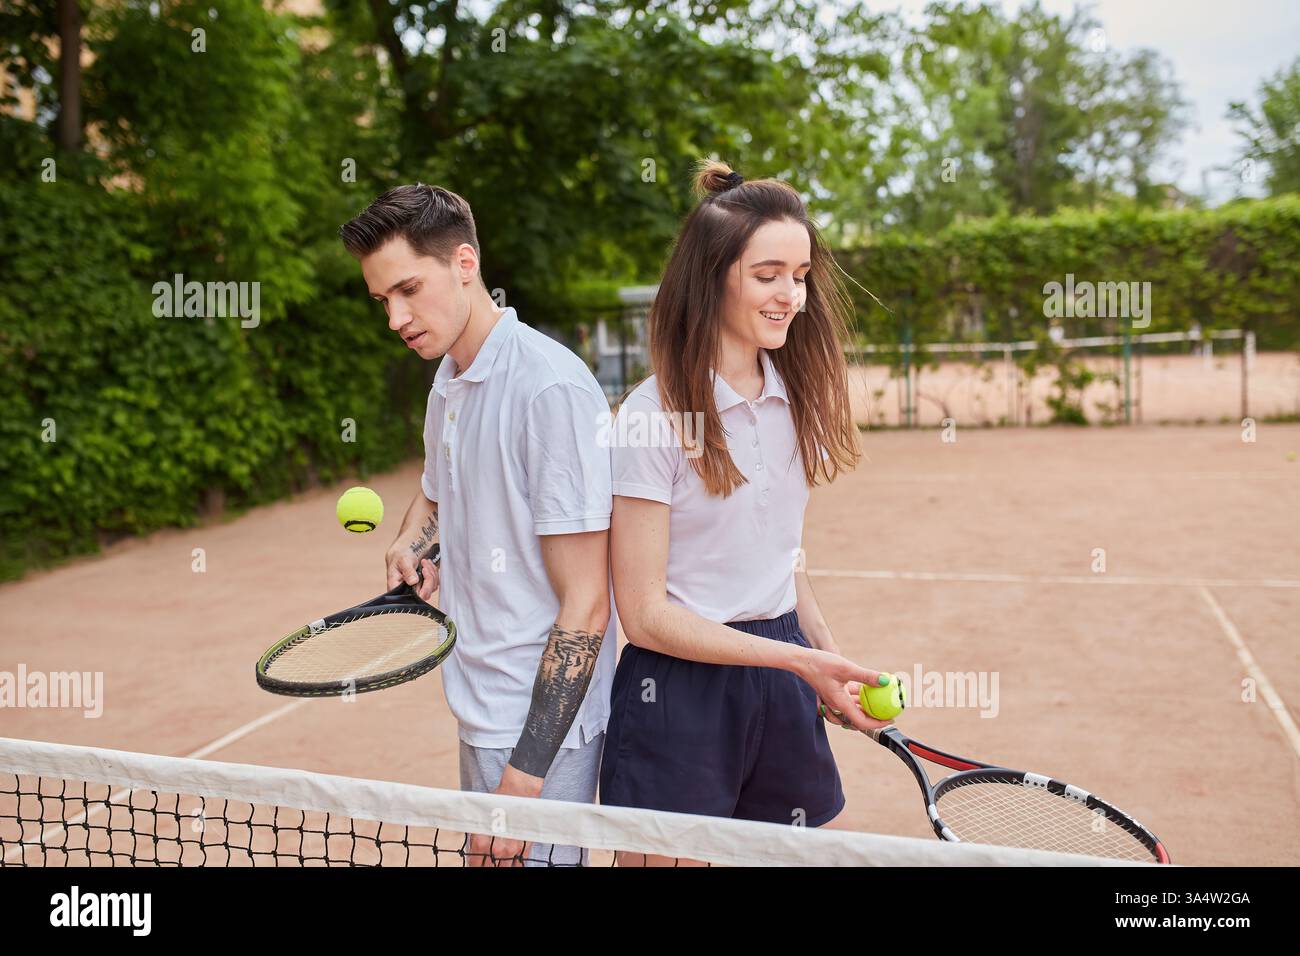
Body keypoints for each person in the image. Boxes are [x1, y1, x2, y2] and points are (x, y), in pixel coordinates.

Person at [600, 161, 891, 865]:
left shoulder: (796, 399)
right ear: (714, 277)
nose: (791, 294)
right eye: (768, 275)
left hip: (783, 673)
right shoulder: (651, 417)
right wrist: (797, 660)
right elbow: (642, 614)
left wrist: (824, 660)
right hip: (678, 692)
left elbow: (783, 558)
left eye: (800, 274)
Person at [339, 184, 615, 866]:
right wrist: (411, 543)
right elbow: (436, 494)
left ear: (464, 263)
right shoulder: (451, 377)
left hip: (540, 733)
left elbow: (588, 605)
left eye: (408, 289)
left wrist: (522, 781)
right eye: (383, 301)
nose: (396, 319)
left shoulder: (548, 389)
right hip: (480, 704)